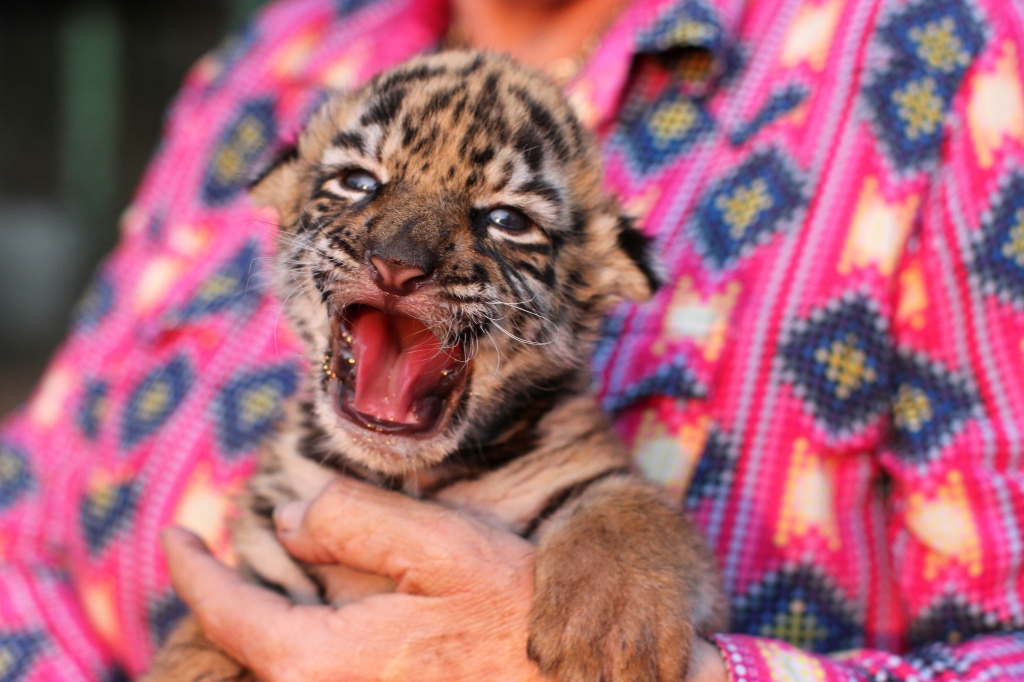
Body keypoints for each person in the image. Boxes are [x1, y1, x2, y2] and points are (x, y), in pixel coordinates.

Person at [2, 0, 1024, 680]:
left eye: (503, 219)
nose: (397, 253)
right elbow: (21, 526)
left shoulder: (952, 64)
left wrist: (694, 673)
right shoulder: (274, 57)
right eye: (354, 187)